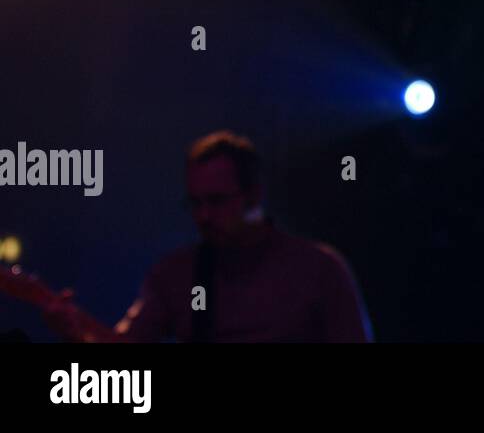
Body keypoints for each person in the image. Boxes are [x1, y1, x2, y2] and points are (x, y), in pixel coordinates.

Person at [43, 131, 372, 342]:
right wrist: (75, 333)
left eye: (216, 201)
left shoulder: (320, 269)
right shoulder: (176, 275)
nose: (203, 216)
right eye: (195, 203)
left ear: (254, 196)